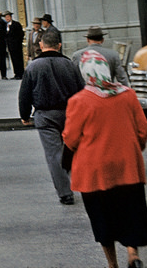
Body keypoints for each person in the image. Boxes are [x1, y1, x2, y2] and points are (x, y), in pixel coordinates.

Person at [63, 50, 147, 268]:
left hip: (94, 171)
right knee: (131, 211)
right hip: (127, 167)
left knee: (103, 219)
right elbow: (143, 129)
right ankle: (133, 254)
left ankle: (113, 265)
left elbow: (71, 138)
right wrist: (134, 149)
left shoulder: (79, 100)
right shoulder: (128, 95)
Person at [18, 31, 84, 205]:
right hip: (70, 113)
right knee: (74, 149)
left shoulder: (33, 66)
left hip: (45, 115)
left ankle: (65, 193)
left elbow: (24, 94)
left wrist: (24, 115)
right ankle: (83, 183)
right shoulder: (69, 65)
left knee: (54, 154)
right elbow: (81, 89)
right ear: (59, 45)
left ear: (41, 45)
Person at [2, 10, 26, 79]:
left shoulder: (16, 24)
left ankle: (20, 73)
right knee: (13, 59)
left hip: (17, 45)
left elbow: (21, 34)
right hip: (10, 46)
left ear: (11, 17)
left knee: (18, 59)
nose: (7, 18)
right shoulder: (5, 25)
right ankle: (16, 73)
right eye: (6, 17)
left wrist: (18, 42)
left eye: (8, 17)